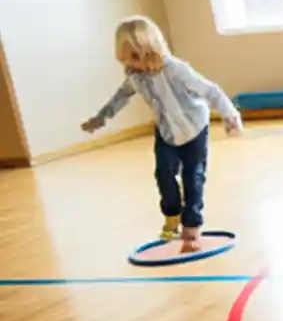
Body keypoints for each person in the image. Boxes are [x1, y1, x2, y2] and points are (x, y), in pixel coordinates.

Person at [82, 15, 242, 252]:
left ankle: (192, 224)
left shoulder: (175, 69)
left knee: (193, 176)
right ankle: (172, 215)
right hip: (166, 130)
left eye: (135, 57)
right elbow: (121, 96)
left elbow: (210, 91)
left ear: (149, 49)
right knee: (163, 174)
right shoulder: (134, 75)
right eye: (127, 60)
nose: (132, 65)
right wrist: (100, 118)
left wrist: (230, 115)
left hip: (194, 128)